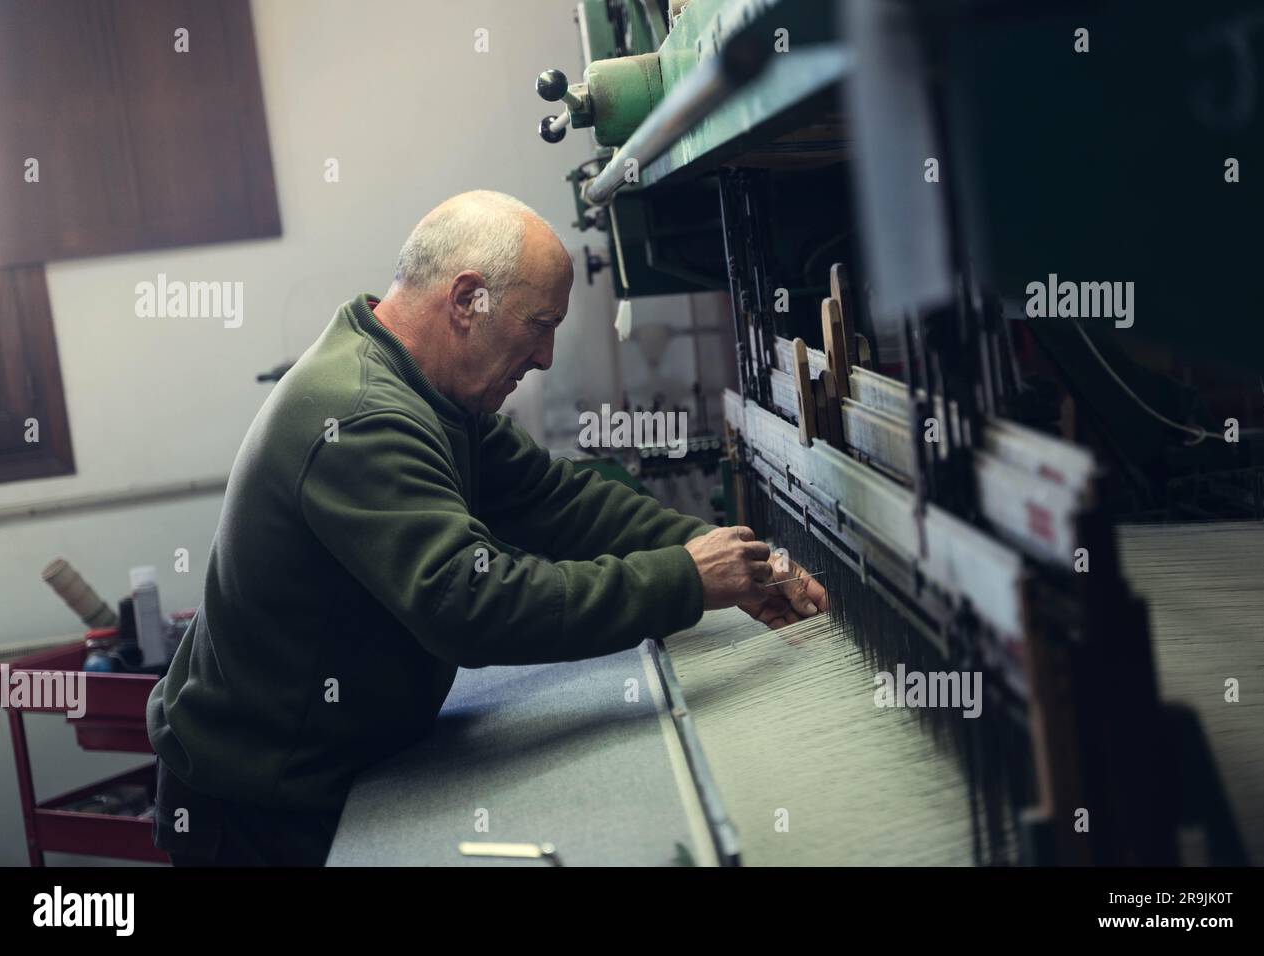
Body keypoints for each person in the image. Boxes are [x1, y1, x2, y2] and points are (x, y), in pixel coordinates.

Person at [147, 190, 826, 866]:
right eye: (539, 324)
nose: (547, 357)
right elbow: (468, 603)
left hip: (336, 772)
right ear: (467, 299)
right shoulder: (360, 414)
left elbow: (556, 500)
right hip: (258, 810)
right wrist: (685, 579)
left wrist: (737, 560)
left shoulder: (430, 393)